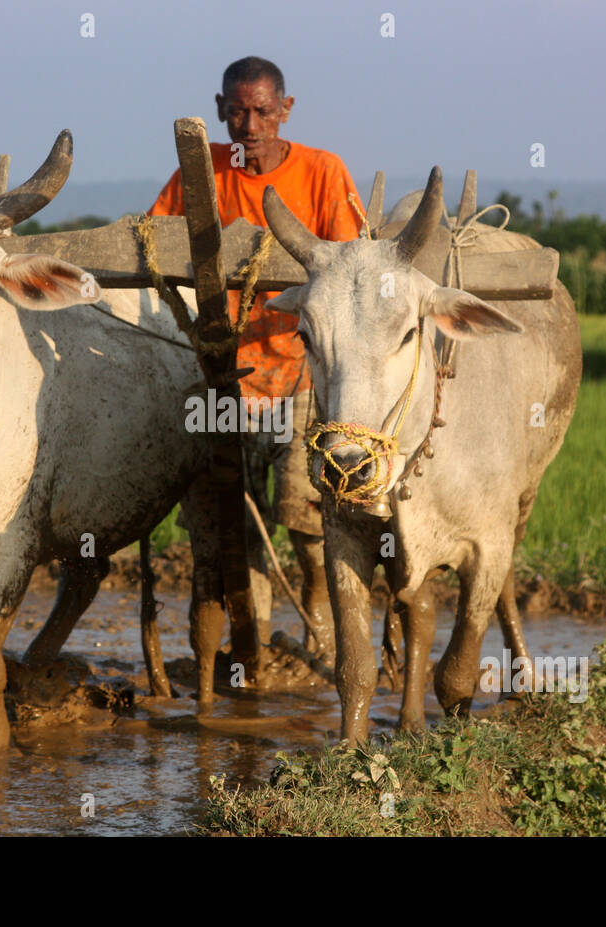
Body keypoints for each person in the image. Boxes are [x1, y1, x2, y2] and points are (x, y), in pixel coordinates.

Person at [148, 56, 362, 659]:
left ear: (285, 110)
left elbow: (347, 268)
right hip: (224, 378)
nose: (249, 124)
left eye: (263, 111)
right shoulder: (201, 172)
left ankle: (320, 622)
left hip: (299, 372)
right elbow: (154, 244)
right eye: (237, 111)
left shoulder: (323, 172)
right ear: (219, 111)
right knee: (233, 522)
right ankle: (253, 645)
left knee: (306, 513)